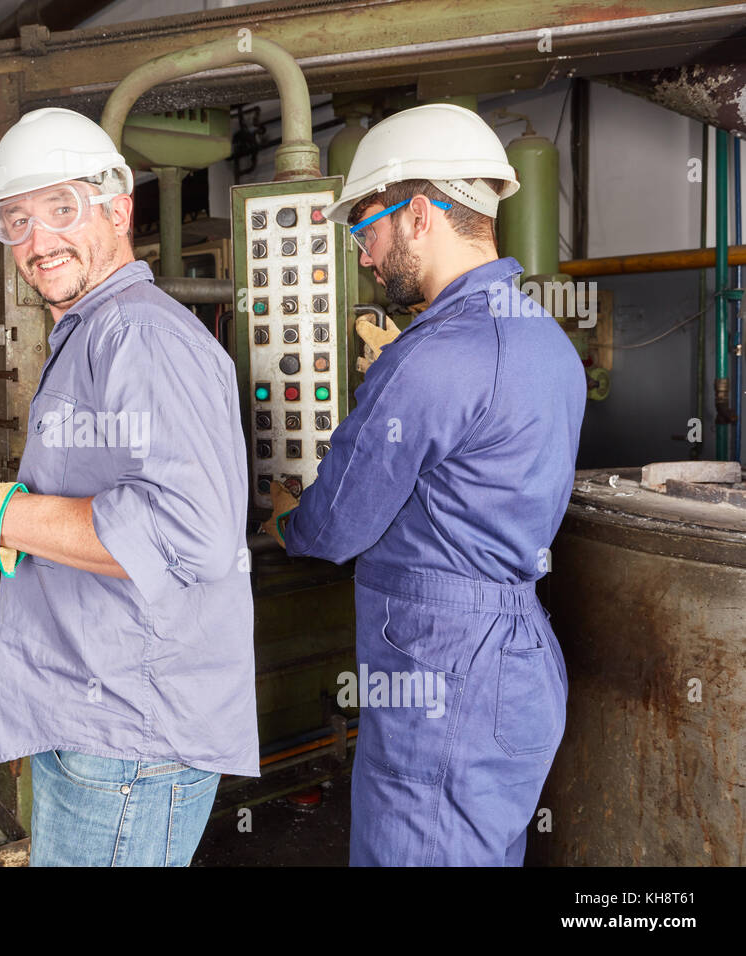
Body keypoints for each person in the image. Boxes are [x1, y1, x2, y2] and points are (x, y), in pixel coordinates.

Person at [0, 107, 258, 867]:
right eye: (16, 220)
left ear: (119, 206)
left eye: (60, 209)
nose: (38, 242)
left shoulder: (139, 335)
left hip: (130, 737)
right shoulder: (93, 333)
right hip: (95, 719)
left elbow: (186, 534)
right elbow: (86, 503)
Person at [264, 103, 586, 865]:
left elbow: (334, 526)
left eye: (363, 231)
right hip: (516, 657)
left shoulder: (429, 357)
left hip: (441, 672)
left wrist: (286, 518)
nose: (364, 257)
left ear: (416, 216)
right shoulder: (544, 339)